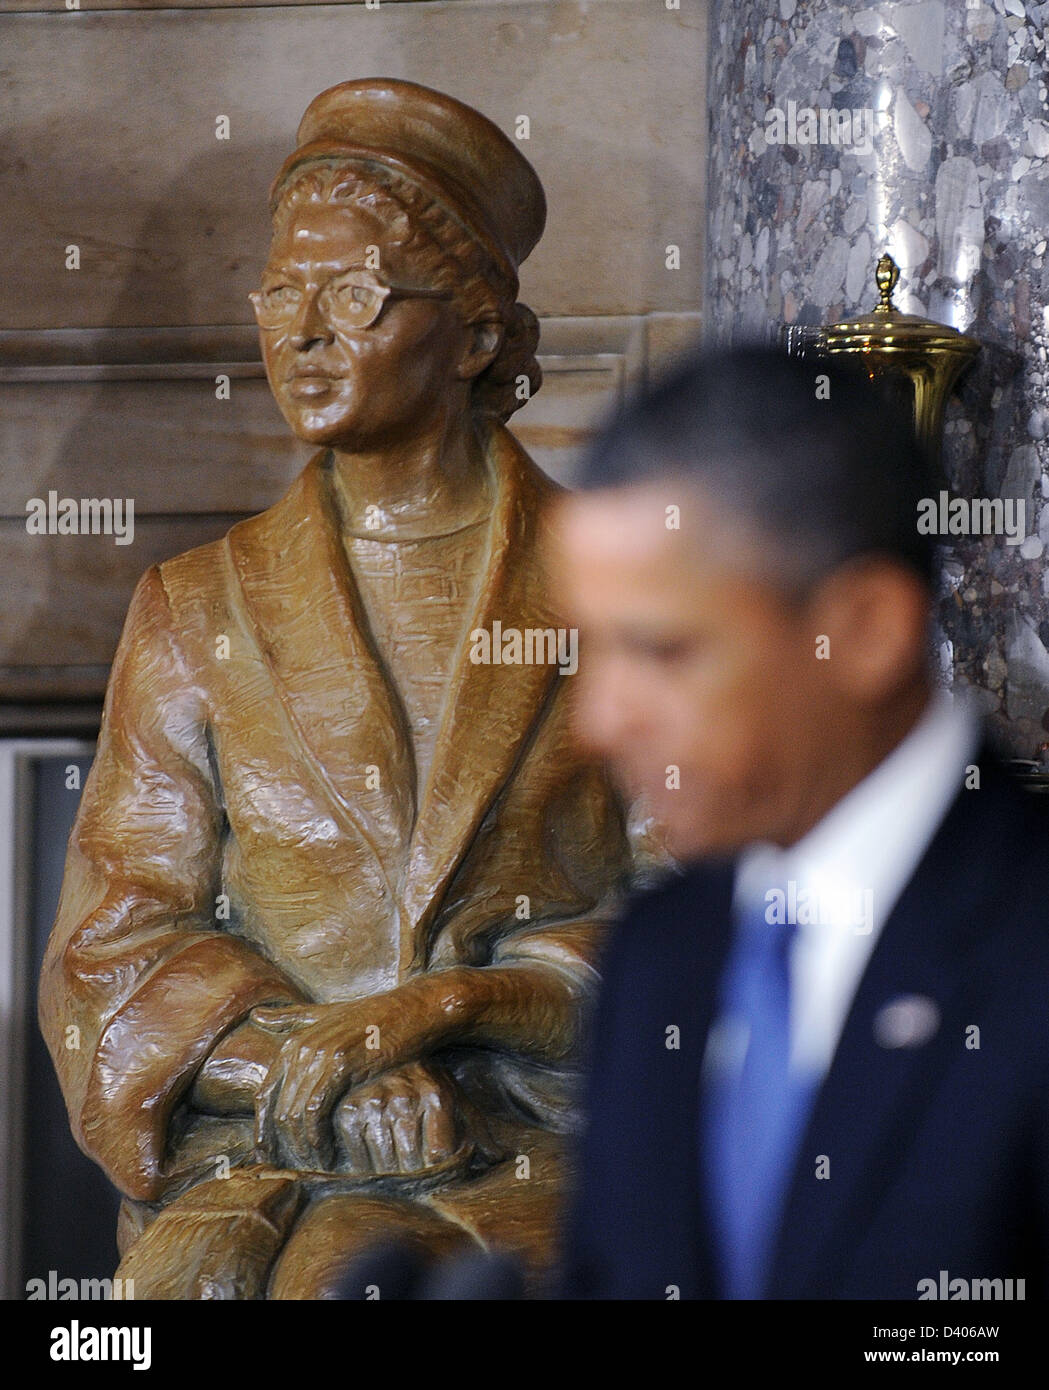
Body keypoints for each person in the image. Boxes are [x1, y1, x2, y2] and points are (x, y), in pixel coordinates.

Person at [38, 79, 634, 1299]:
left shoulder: (619, 593)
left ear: (473, 336)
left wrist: (453, 1007)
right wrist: (306, 1073)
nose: (300, 332)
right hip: (262, 1158)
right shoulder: (197, 605)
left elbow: (707, 922)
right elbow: (112, 952)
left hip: (549, 1146)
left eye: (354, 295)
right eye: (280, 294)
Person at [547, 346, 1049, 1300]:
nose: (598, 720)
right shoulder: (660, 953)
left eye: (660, 649)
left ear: (863, 630)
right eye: (589, 650)